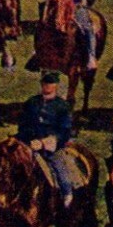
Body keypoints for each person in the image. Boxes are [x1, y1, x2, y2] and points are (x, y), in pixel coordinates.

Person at [17, 71, 79, 207]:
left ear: (56, 86)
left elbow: (64, 131)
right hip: (29, 144)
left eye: (50, 84)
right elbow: (23, 124)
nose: (47, 87)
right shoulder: (31, 102)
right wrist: (28, 139)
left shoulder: (62, 106)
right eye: (45, 84)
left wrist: (45, 142)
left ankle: (67, 194)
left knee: (59, 165)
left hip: (51, 147)